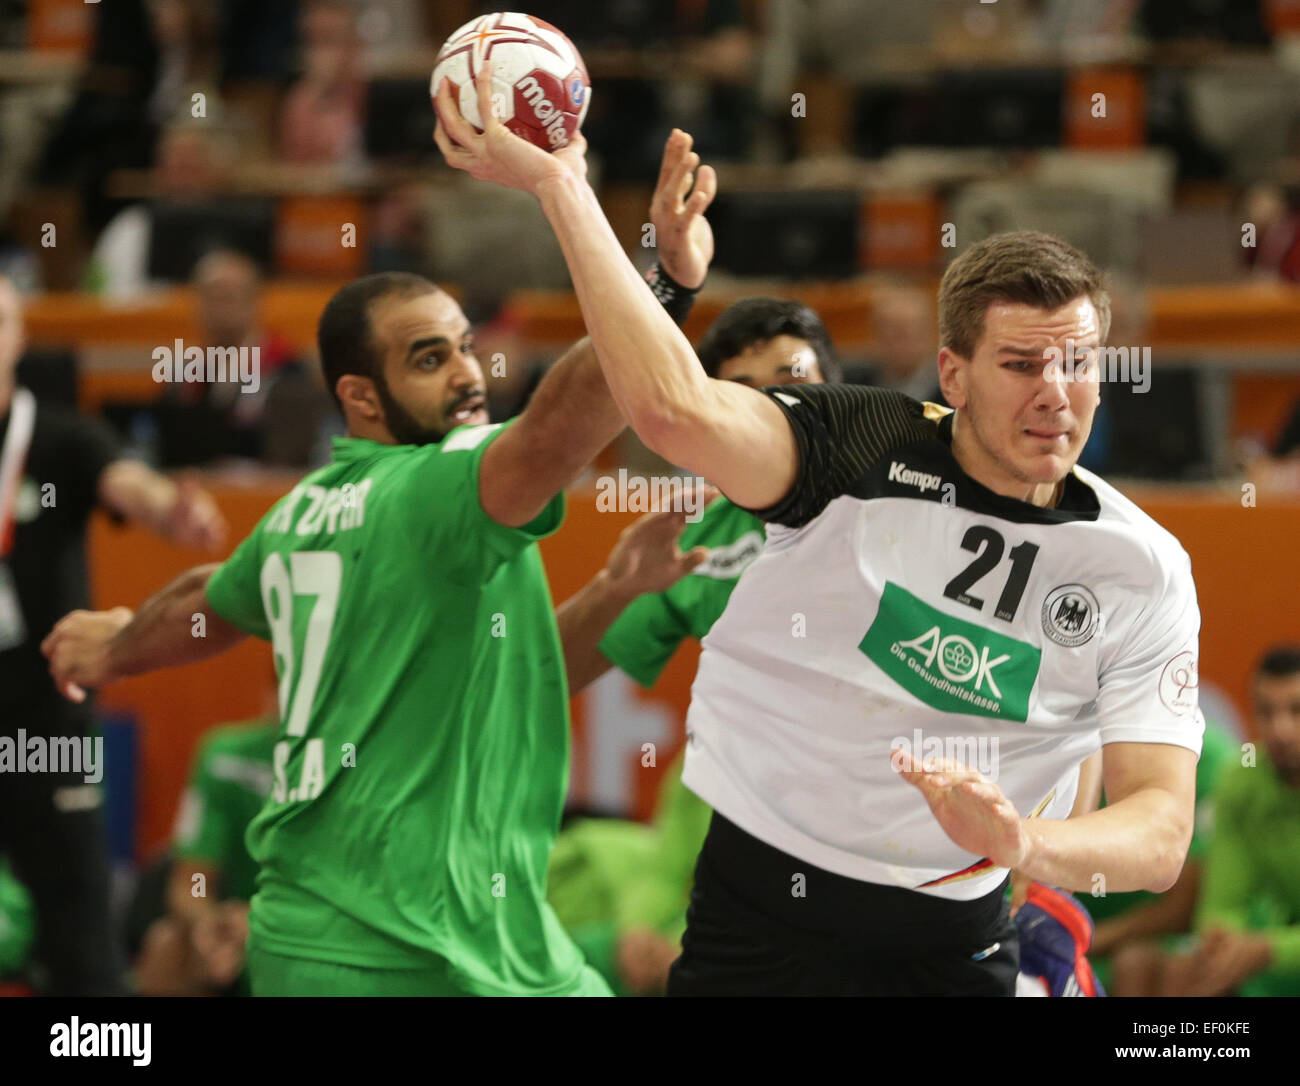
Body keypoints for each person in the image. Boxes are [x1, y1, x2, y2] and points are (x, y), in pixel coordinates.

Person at [434, 69, 1203, 996]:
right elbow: (671, 410)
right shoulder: (849, 443)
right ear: (951, 375)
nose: (1055, 391)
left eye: (1077, 364)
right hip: (762, 917)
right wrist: (566, 188)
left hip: (957, 932)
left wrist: (1021, 843)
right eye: (1021, 363)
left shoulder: (1144, 566)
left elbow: (1160, 832)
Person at [42, 132, 718, 996]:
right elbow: (566, 420)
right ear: (360, 397)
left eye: (466, 346)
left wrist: (118, 647)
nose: (468, 376)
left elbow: (204, 601)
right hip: (398, 948)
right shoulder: (437, 488)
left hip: (423, 935)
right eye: (429, 360)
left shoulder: (300, 511)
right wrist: (663, 278)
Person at [550, 297, 836, 994]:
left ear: (837, 390)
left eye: (793, 381)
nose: (772, 408)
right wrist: (614, 590)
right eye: (742, 394)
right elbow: (543, 672)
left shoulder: (914, 503)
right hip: (737, 853)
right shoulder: (702, 539)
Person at [0, 273, 227, 996]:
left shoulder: (58, 437)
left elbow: (127, 481)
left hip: (43, 715)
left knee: (79, 931)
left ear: (20, 335)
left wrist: (171, 512)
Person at [1153, 646, 1300, 997]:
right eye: (1266, 712)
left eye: (1297, 711)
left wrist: (1268, 949)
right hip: (1277, 953)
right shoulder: (1240, 780)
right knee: (1179, 971)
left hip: (1278, 949)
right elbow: (1222, 904)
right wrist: (1223, 940)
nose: (1280, 730)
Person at [131, 714, 277, 996]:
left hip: (304, 926)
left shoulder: (351, 758)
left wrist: (264, 920)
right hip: (232, 930)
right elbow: (195, 879)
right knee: (168, 945)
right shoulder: (228, 759)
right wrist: (207, 921)